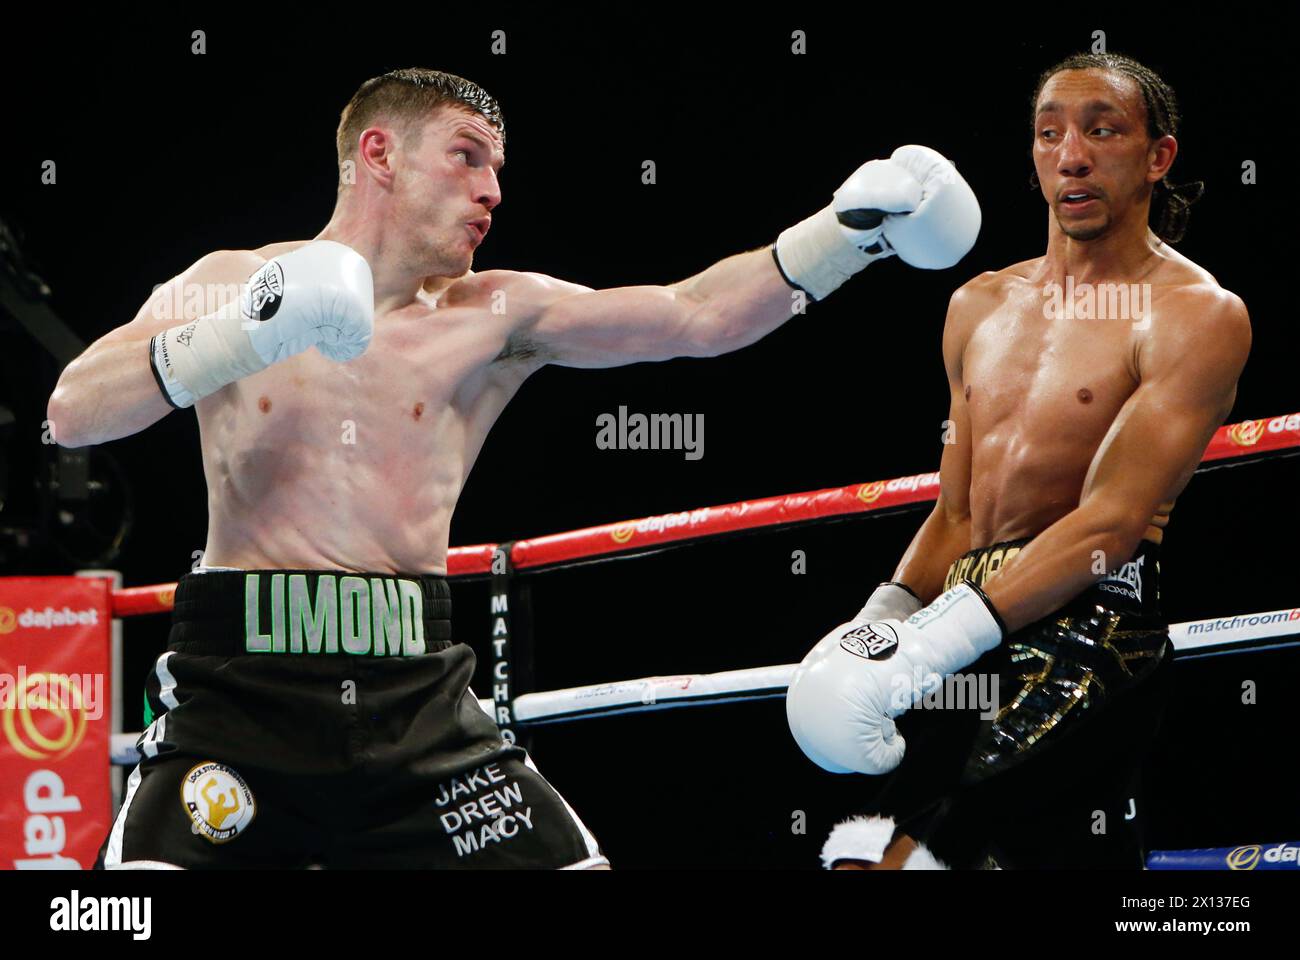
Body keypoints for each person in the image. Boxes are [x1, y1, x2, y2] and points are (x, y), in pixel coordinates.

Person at [46, 67, 980, 868]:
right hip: (235, 696)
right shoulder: (231, 279)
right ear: (379, 154)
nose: (493, 189)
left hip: (419, 700)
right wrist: (243, 330)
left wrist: (845, 234)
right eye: (467, 156)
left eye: (499, 167)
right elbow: (73, 411)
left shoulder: (494, 315)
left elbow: (692, 318)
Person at [786, 52, 1251, 869]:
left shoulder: (1194, 315)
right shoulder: (978, 307)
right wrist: (878, 628)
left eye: (1102, 131)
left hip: (1090, 629)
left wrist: (927, 645)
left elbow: (1110, 521)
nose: (1071, 154)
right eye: (1048, 135)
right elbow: (957, 514)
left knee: (886, 859)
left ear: (1157, 156)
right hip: (968, 633)